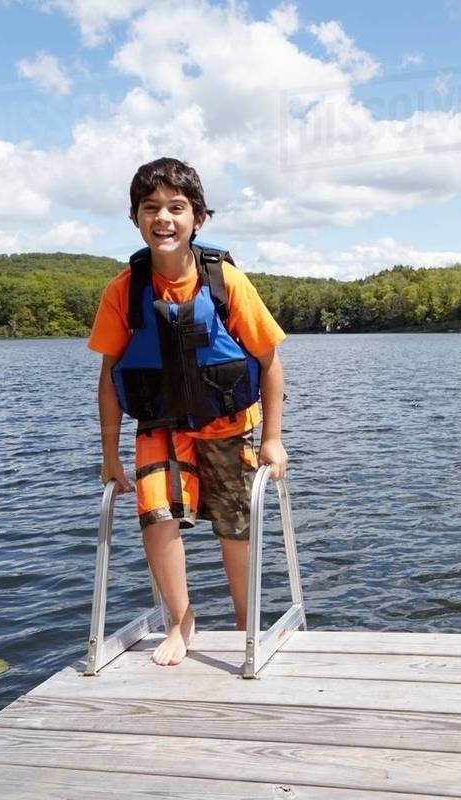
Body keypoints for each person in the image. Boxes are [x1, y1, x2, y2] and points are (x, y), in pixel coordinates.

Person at [88, 157, 287, 667]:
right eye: (150, 208)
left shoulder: (226, 282)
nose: (164, 219)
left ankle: (247, 624)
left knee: (234, 530)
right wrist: (110, 454)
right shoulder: (124, 291)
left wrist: (273, 439)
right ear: (135, 218)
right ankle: (181, 620)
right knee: (156, 518)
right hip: (159, 426)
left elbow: (269, 364)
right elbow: (109, 381)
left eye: (177, 208)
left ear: (198, 217)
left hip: (229, 426)